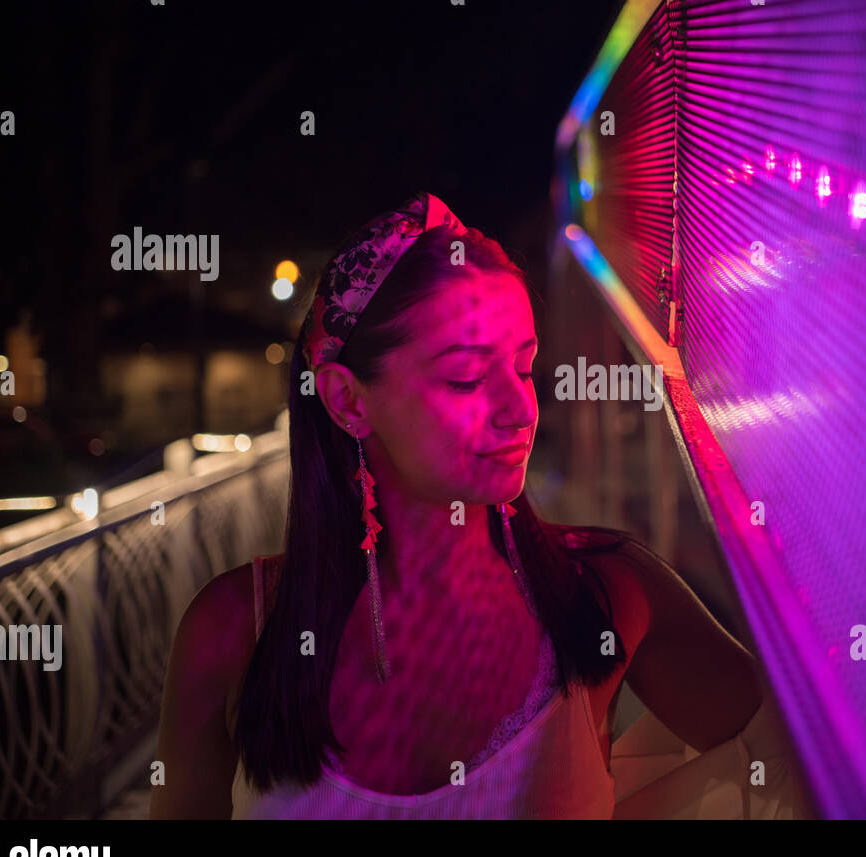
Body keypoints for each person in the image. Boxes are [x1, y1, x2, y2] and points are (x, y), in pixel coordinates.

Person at [149, 191, 803, 819]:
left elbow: (789, 757)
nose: (520, 409)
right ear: (349, 401)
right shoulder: (235, 630)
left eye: (524, 367)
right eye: (465, 375)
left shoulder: (610, 591)